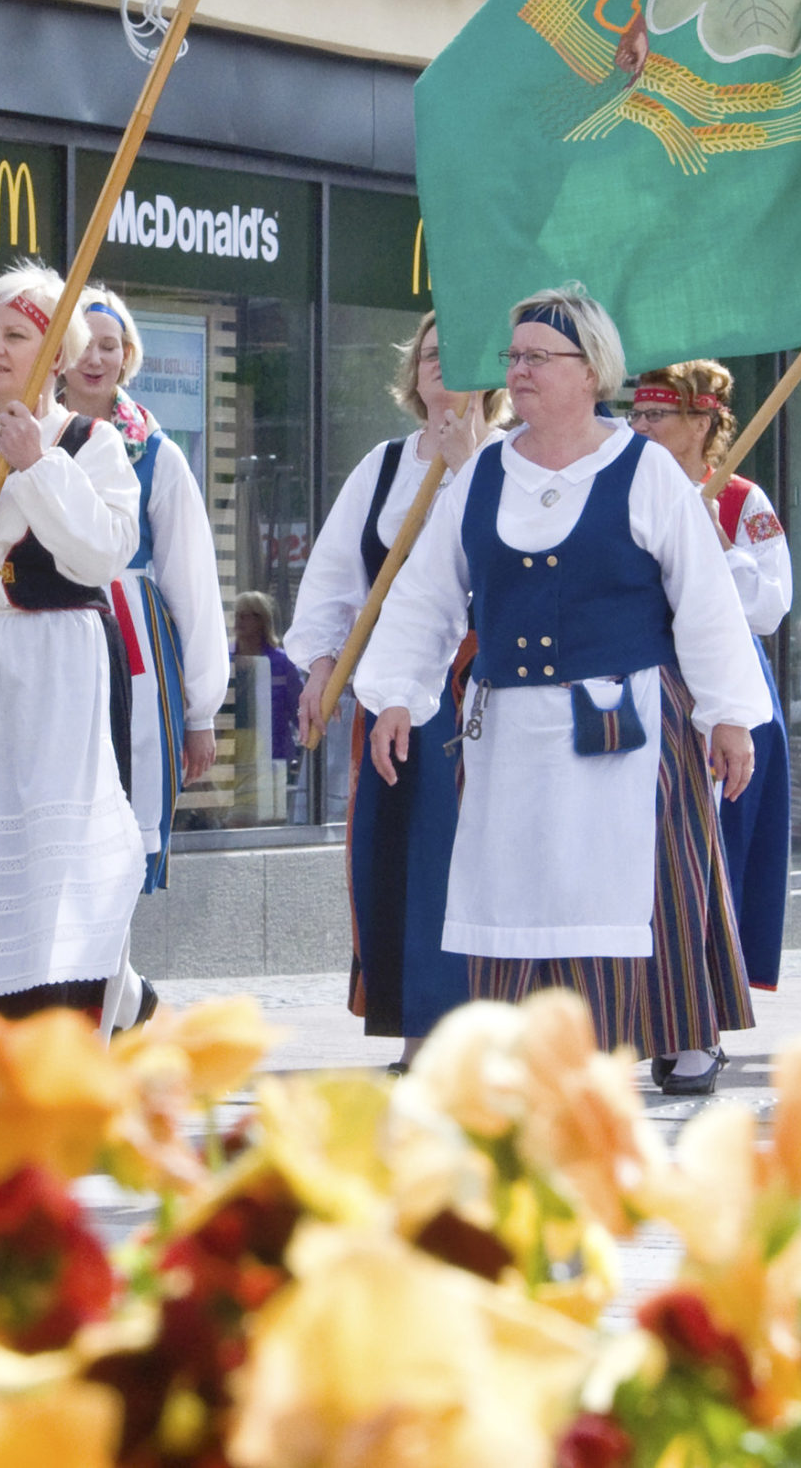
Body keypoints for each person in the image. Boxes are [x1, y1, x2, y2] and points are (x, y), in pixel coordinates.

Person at [356, 288, 766, 1094]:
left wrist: (729, 715)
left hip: (627, 721)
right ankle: (529, 1051)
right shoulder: (481, 473)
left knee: (636, 879)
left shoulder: (644, 470)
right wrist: (398, 692)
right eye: (514, 357)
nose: (520, 370)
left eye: (538, 357)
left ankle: (675, 1033)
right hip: (512, 726)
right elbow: (428, 592)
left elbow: (705, 598)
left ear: (591, 371)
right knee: (515, 884)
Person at [0, 264, 146, 1025]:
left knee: (60, 847)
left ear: (55, 351)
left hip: (58, 662)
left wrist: (40, 465)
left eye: (14, 334)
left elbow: (101, 553)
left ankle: (74, 1019)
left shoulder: (91, 442)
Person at [289, 316, 497, 1059]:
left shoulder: (510, 463)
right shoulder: (382, 466)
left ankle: (486, 1034)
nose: (441, 365)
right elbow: (333, 579)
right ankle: (418, 1034)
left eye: (458, 353)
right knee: (398, 857)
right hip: (389, 686)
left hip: (478, 688)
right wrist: (321, 666)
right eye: (431, 353)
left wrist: (468, 466)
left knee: (466, 854)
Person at [629, 360, 794, 990]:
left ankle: (706, 985)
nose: (640, 427)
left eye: (656, 415)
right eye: (635, 415)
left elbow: (771, 605)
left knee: (718, 841)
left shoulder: (743, 499)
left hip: (722, 677)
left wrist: (718, 545)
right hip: (646, 672)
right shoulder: (620, 489)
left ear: (701, 423)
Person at [59, 289, 230, 895]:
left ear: (127, 356)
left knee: (125, 817)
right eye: (84, 344)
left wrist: (200, 712)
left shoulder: (158, 455)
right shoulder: (30, 437)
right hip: (47, 628)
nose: (95, 358)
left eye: (110, 346)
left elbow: (191, 582)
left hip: (129, 637)